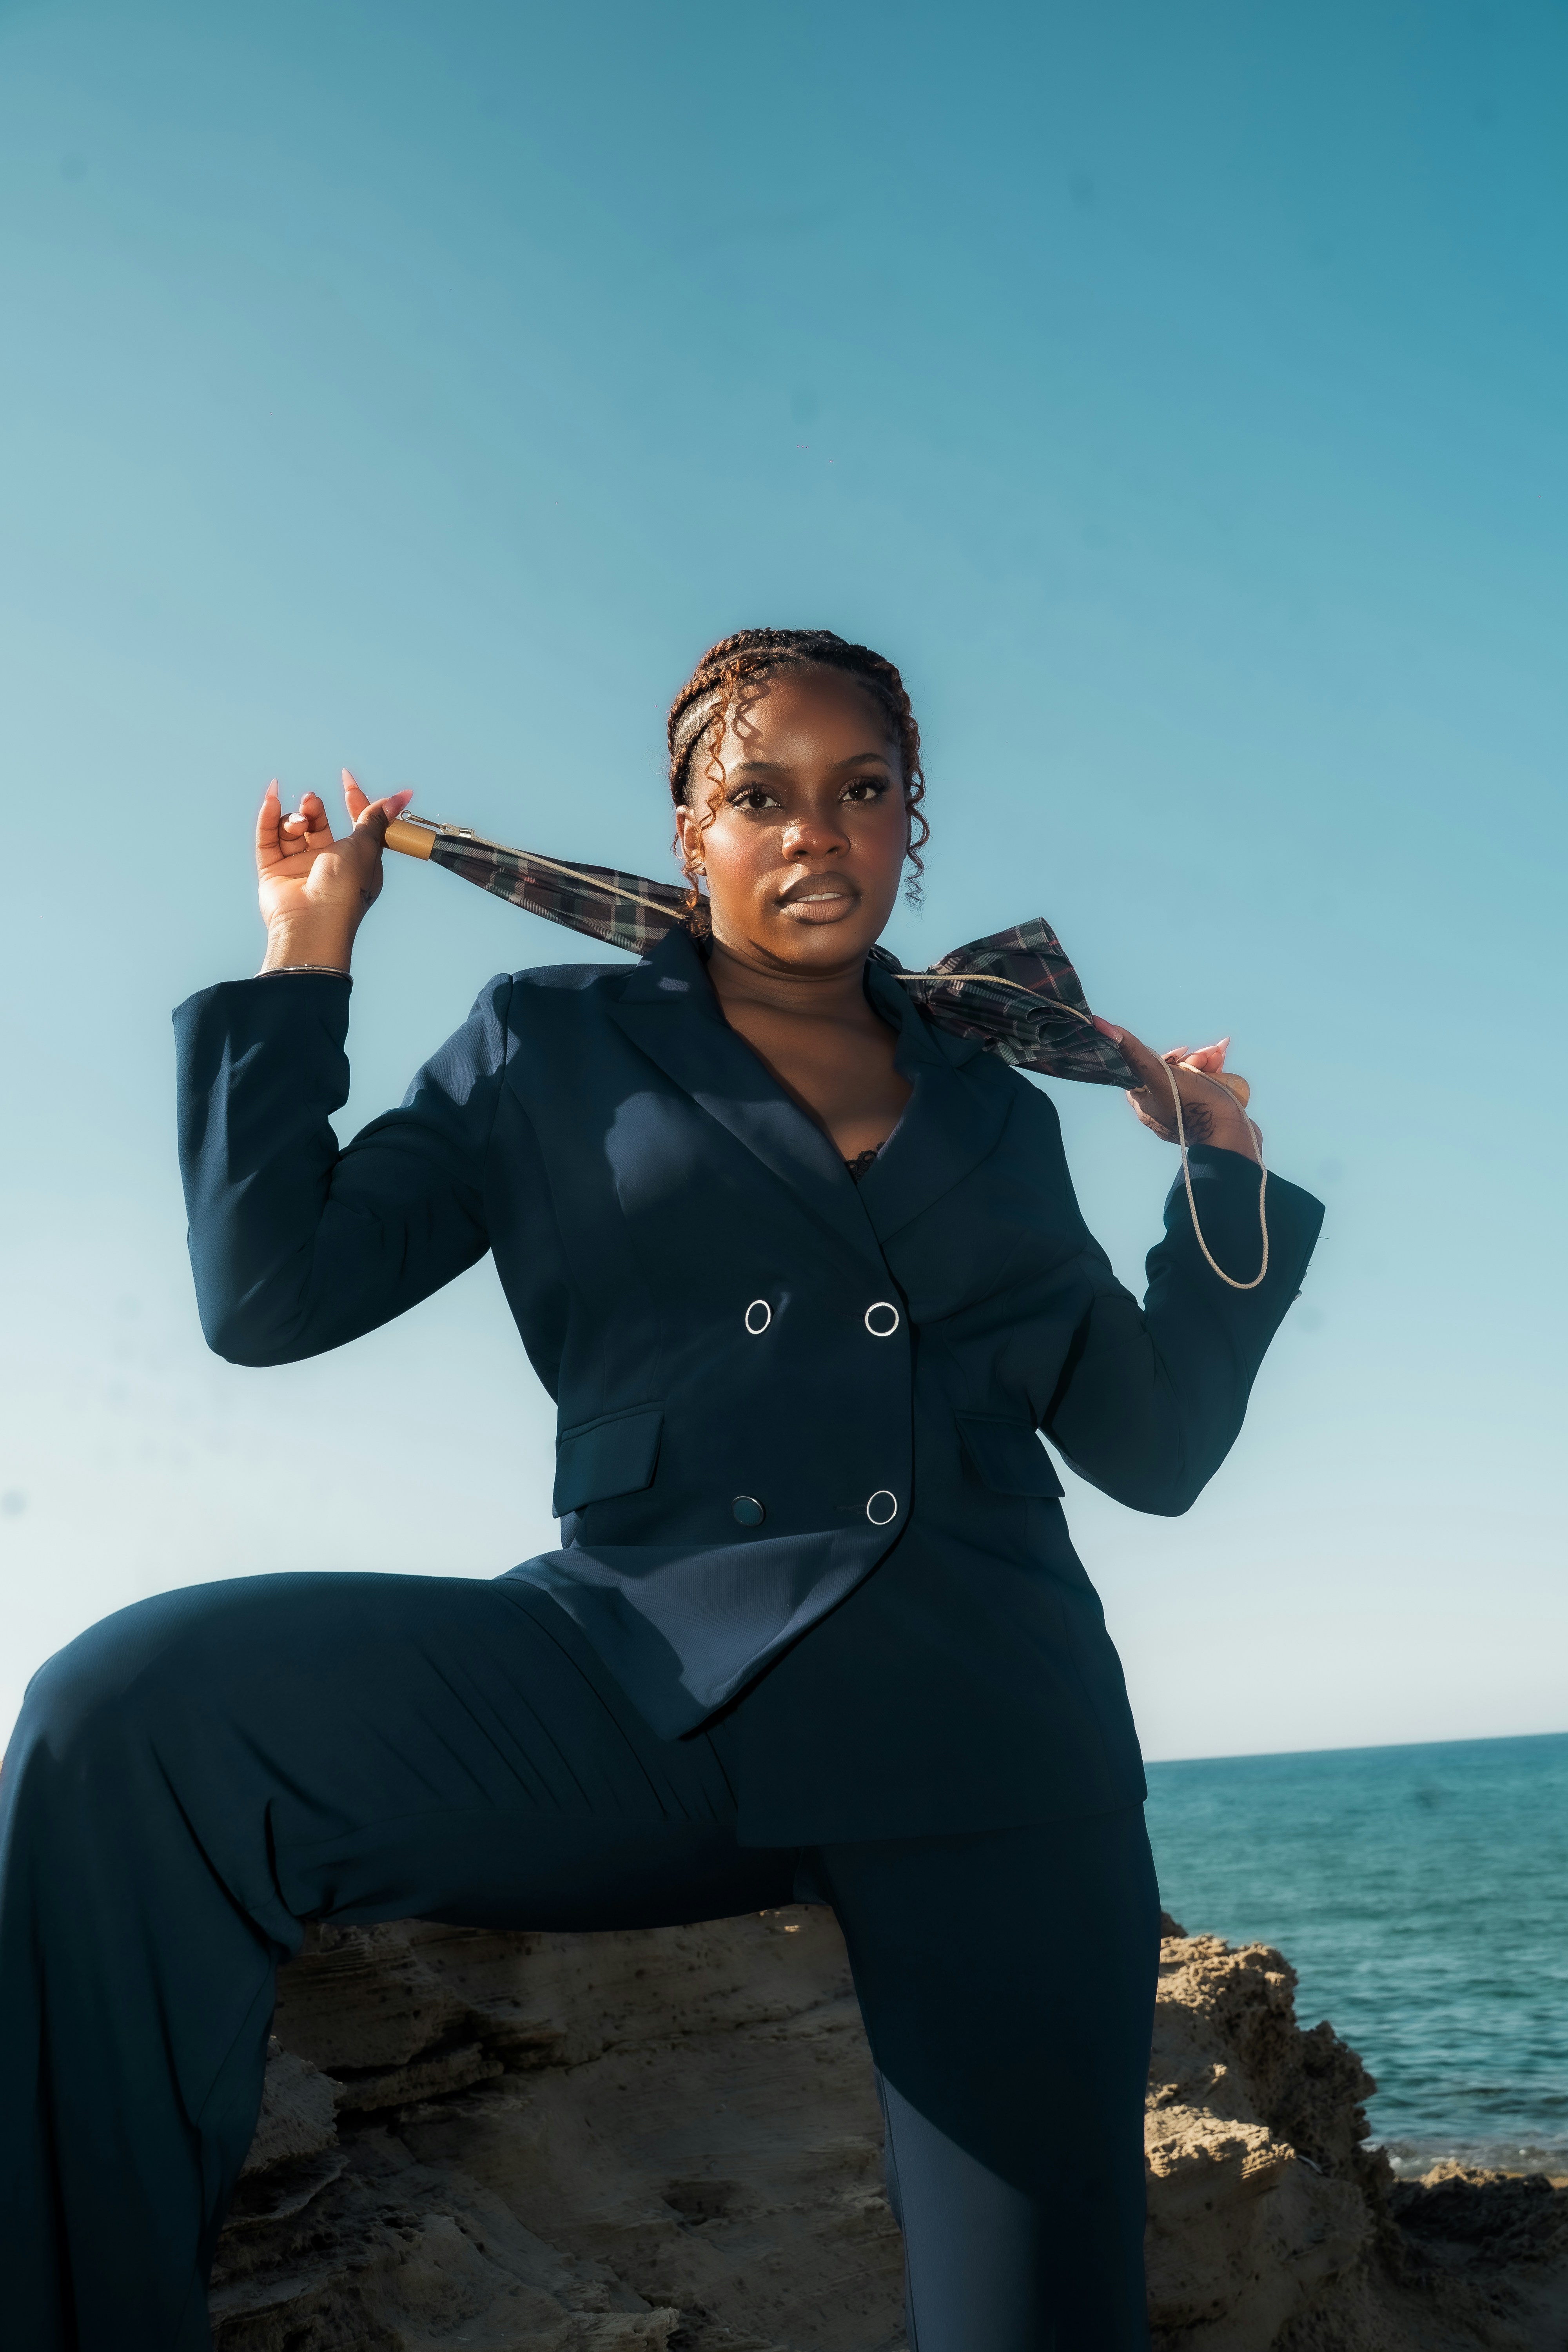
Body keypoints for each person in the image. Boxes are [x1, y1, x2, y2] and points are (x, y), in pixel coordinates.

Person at [0, 628, 1323, 2350]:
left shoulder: (994, 1106)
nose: (812, 834)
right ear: (689, 832)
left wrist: (1220, 1187)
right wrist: (301, 955)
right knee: (131, 1711)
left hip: (989, 1730)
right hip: (643, 1674)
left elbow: (1153, 1450)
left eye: (861, 793)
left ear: (908, 825)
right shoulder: (545, 1041)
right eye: (758, 796)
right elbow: (273, 1297)